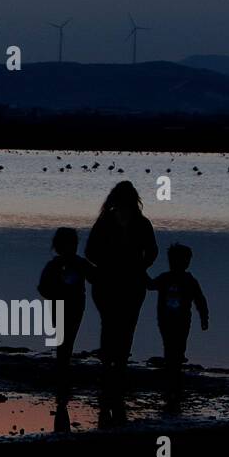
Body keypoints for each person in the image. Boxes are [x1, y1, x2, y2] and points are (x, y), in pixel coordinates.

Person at [84, 180, 158, 426]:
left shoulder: (136, 223)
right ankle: (113, 369)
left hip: (128, 283)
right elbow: (90, 252)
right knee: (118, 324)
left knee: (121, 325)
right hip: (110, 282)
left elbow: (152, 252)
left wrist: (137, 266)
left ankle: (116, 368)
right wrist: (121, 264)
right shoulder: (113, 222)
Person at [37, 227, 94, 404]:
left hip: (75, 306)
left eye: (74, 244)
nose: (72, 248)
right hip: (59, 305)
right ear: (60, 246)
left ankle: (63, 370)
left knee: (66, 339)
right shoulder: (55, 265)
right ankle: (63, 370)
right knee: (64, 340)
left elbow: (95, 277)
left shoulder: (79, 263)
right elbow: (42, 287)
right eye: (69, 244)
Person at [147, 242, 209, 406]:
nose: (182, 263)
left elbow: (200, 300)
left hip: (181, 320)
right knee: (170, 345)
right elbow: (150, 285)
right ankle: (172, 372)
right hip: (166, 319)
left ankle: (174, 369)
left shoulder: (189, 280)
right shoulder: (165, 278)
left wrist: (204, 318)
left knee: (178, 345)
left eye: (184, 260)